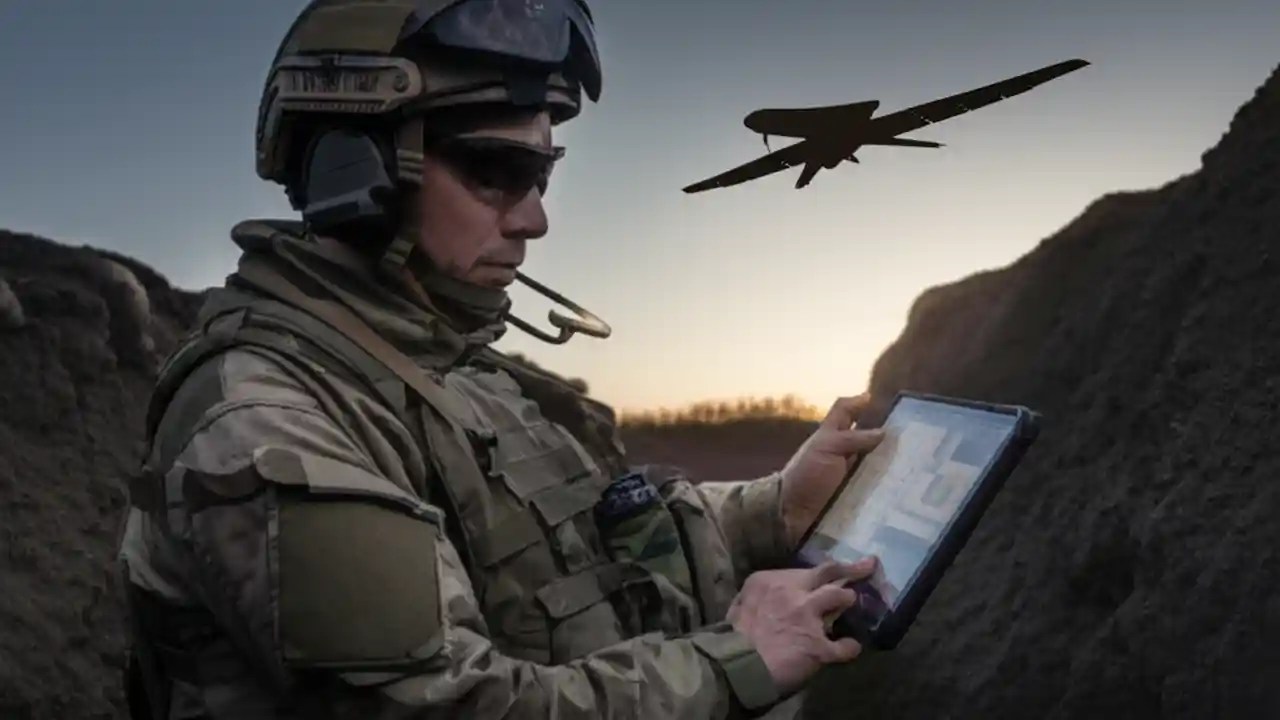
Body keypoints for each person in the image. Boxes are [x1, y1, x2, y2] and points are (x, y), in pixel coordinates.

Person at [115, 1, 887, 717]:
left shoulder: (456, 369)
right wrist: (736, 662)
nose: (536, 218)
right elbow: (455, 704)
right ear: (359, 172)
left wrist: (775, 507)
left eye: (542, 174)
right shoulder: (266, 421)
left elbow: (590, 542)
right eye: (498, 172)